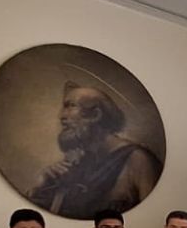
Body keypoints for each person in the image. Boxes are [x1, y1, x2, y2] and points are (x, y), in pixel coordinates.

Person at [29, 74, 163, 217]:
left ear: (95, 115)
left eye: (71, 106)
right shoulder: (79, 163)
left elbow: (154, 215)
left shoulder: (138, 160)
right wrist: (43, 183)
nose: (61, 116)